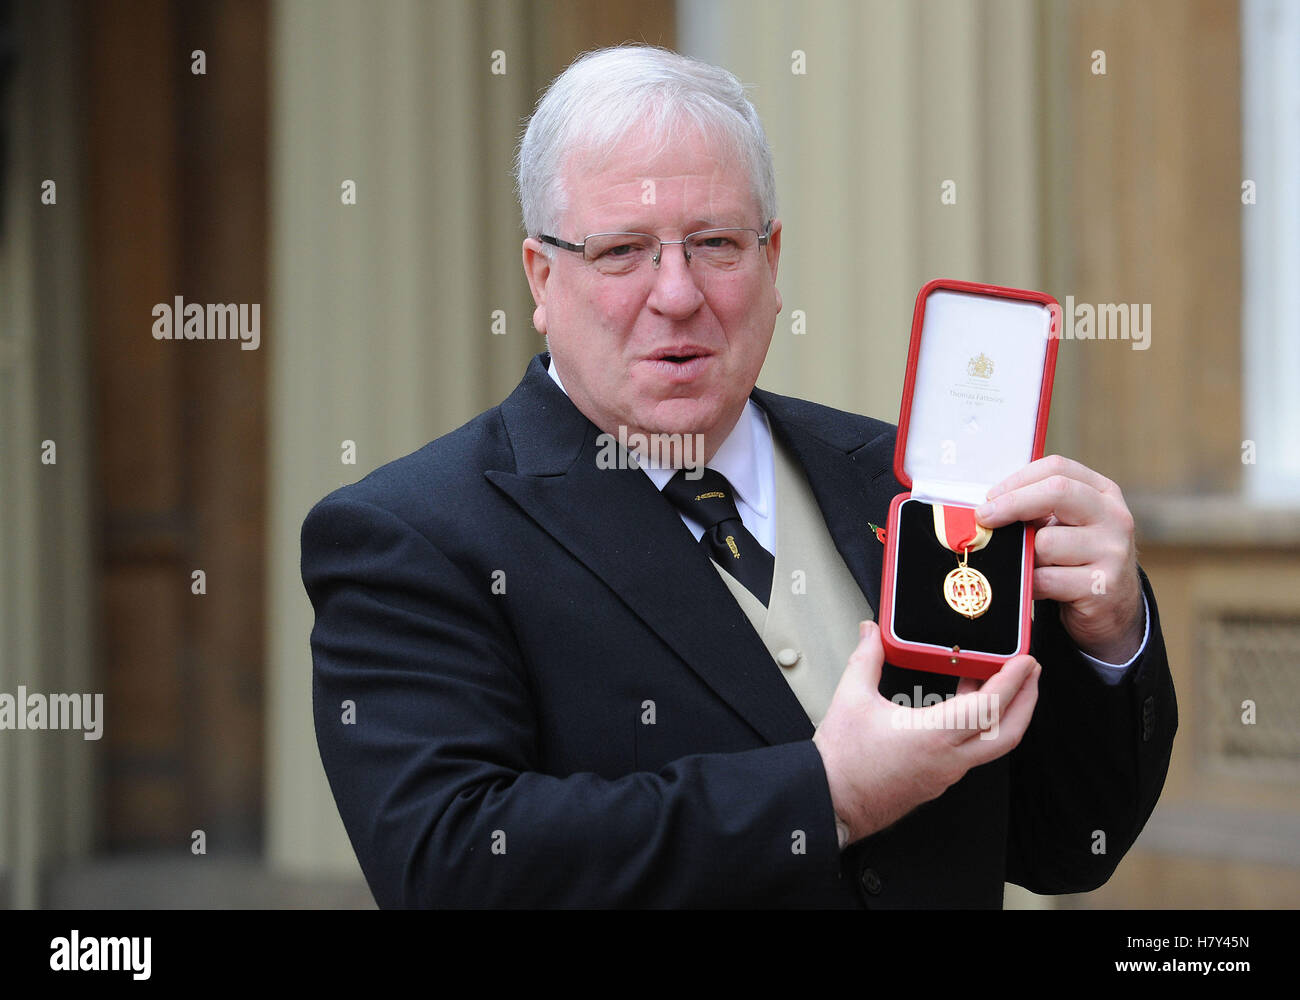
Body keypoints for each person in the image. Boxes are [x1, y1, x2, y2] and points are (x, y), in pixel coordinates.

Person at [301, 44, 1176, 908]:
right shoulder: (412, 535)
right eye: (622, 251)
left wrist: (1111, 635)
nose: (676, 293)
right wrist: (826, 795)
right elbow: (453, 868)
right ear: (542, 276)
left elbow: (1063, 845)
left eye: (715, 243)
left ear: (772, 260)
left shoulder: (901, 484)